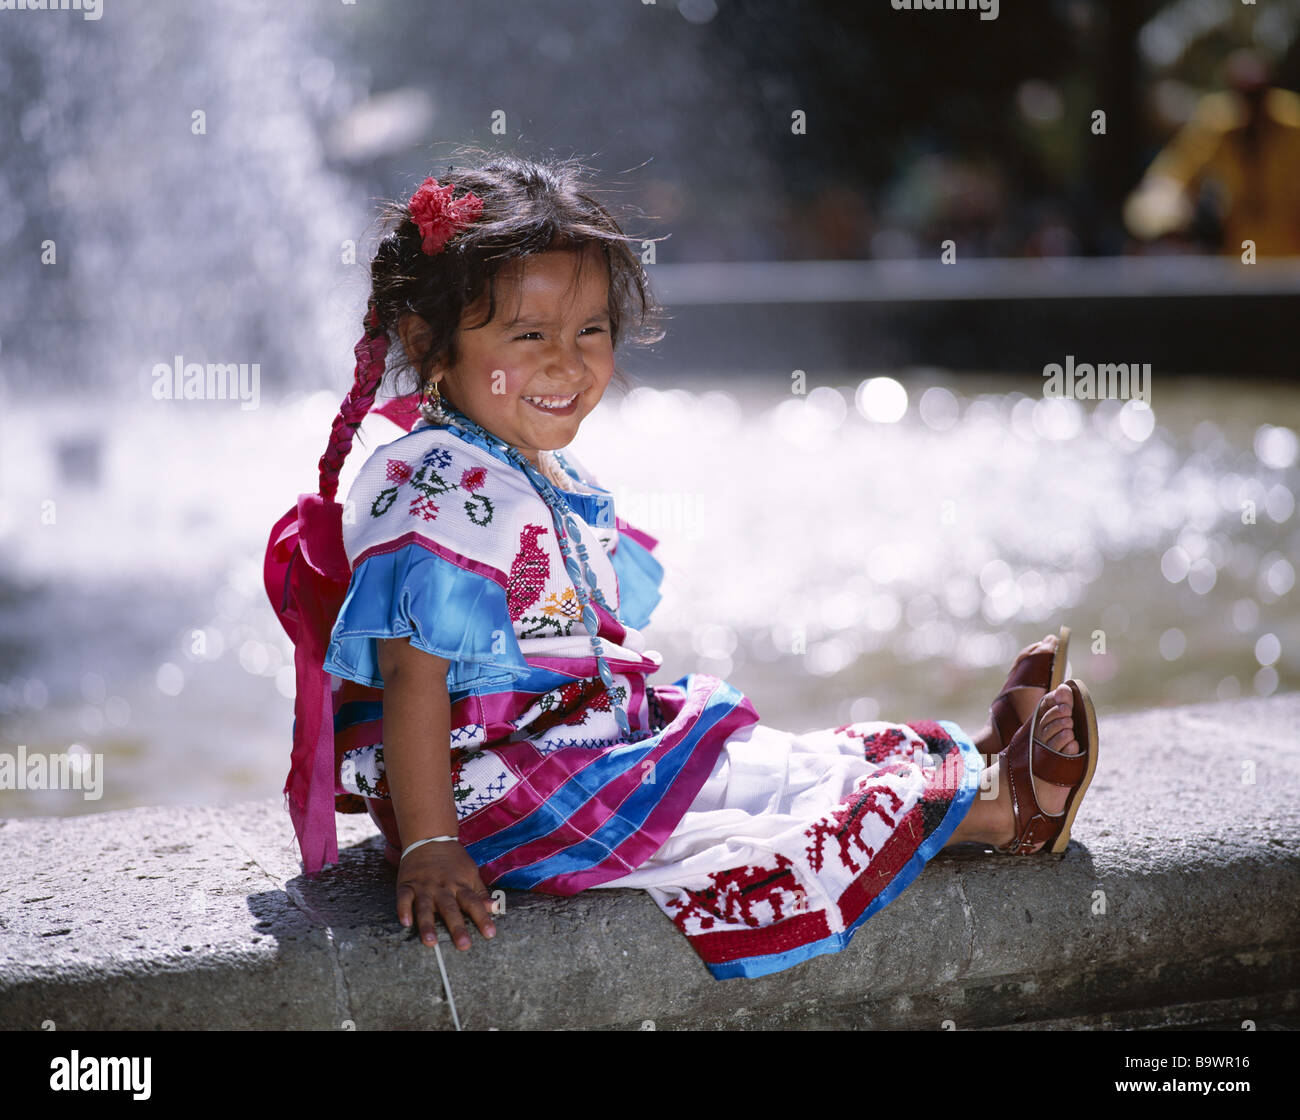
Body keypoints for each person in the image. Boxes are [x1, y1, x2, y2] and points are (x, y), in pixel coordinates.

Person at [279, 148, 1098, 981]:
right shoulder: (437, 483)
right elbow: (412, 675)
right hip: (504, 797)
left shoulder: (504, 456)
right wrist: (431, 844)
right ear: (430, 343)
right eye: (530, 336)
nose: (570, 362)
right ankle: (1000, 815)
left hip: (568, 743)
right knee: (744, 819)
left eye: (590, 331)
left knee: (767, 761)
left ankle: (965, 755)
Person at [1124, 49, 1300, 256]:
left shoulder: (1294, 122)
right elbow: (1169, 178)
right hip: (1238, 261)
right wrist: (1163, 210)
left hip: (1292, 264)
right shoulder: (1215, 125)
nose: (1252, 106)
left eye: (1257, 95)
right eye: (1245, 96)